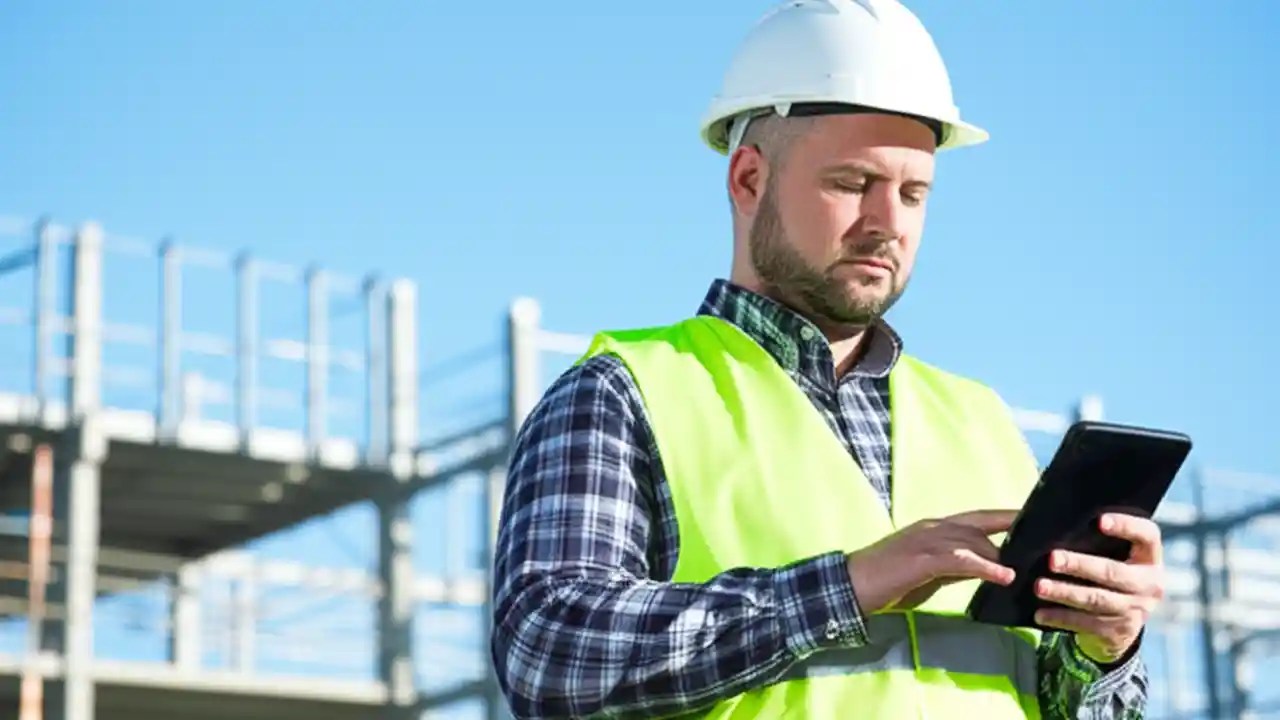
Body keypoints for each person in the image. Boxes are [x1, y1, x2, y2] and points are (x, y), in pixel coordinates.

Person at [489, 0, 1164, 717]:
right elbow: (548, 650)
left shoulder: (981, 421)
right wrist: (844, 587)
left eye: (913, 193)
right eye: (851, 184)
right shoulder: (626, 393)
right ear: (748, 179)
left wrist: (1107, 651)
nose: (888, 224)